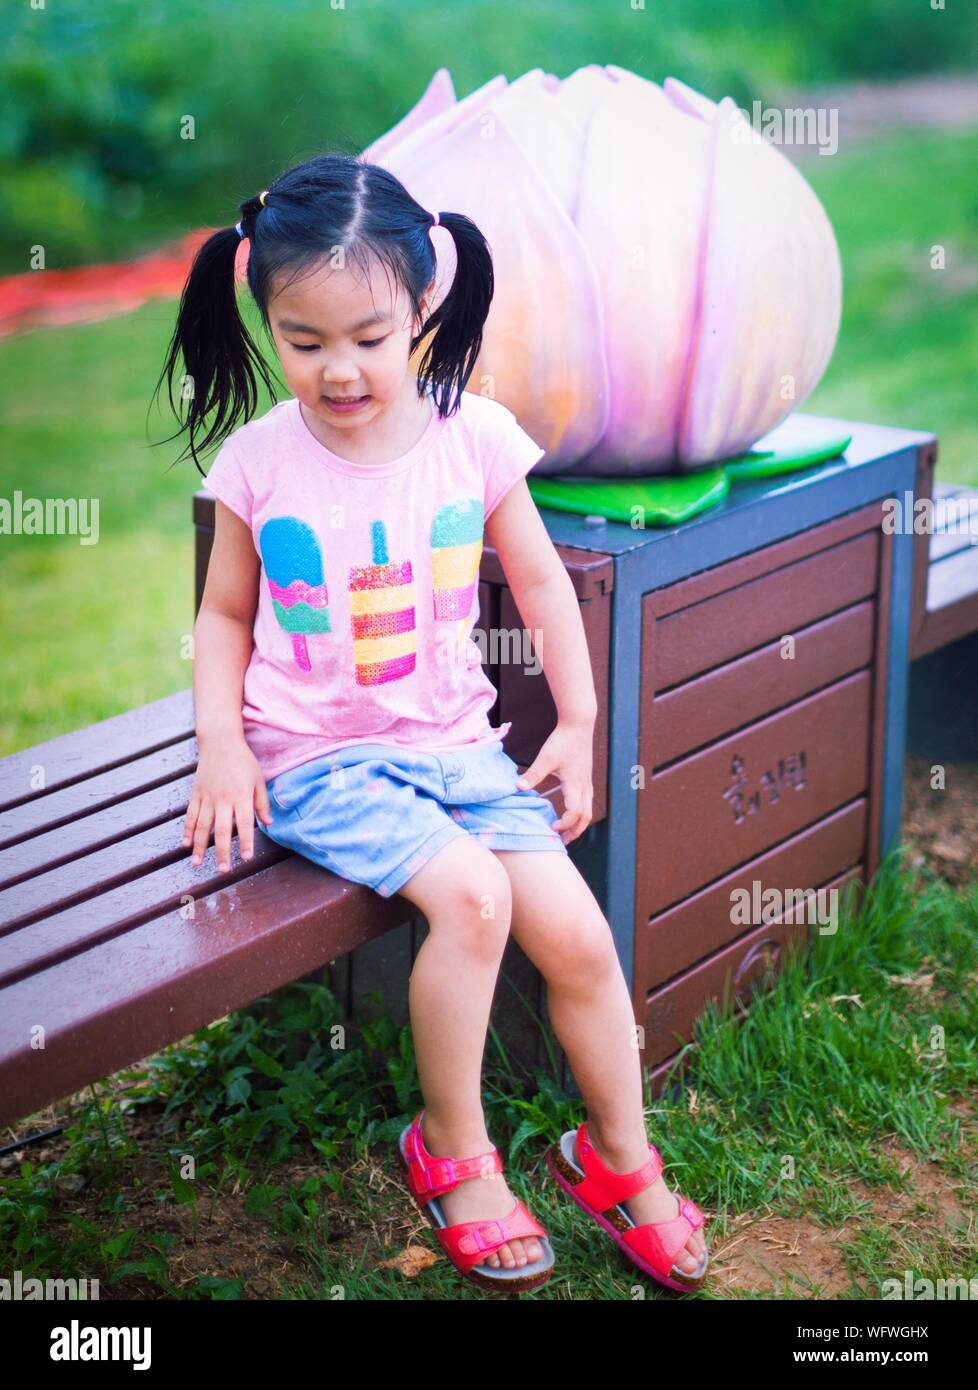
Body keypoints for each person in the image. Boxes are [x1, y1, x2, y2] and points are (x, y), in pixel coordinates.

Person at [153, 150, 709, 1294]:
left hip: (457, 746)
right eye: (304, 342)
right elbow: (221, 616)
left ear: (423, 304)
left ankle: (619, 1160)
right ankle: (452, 1153)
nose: (339, 368)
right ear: (265, 319)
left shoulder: (477, 438)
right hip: (319, 757)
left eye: (367, 335)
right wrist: (219, 745)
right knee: (472, 895)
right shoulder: (260, 461)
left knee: (581, 938)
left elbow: (546, 587)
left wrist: (582, 720)